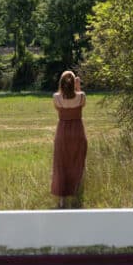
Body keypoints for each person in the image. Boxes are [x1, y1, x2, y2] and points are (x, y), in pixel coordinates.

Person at [51, 70, 87, 209]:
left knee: (61, 164)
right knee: (77, 162)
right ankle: (76, 196)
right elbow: (81, 103)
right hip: (78, 130)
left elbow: (59, 108)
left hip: (63, 132)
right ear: (74, 83)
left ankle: (61, 199)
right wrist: (77, 88)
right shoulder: (81, 96)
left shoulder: (56, 97)